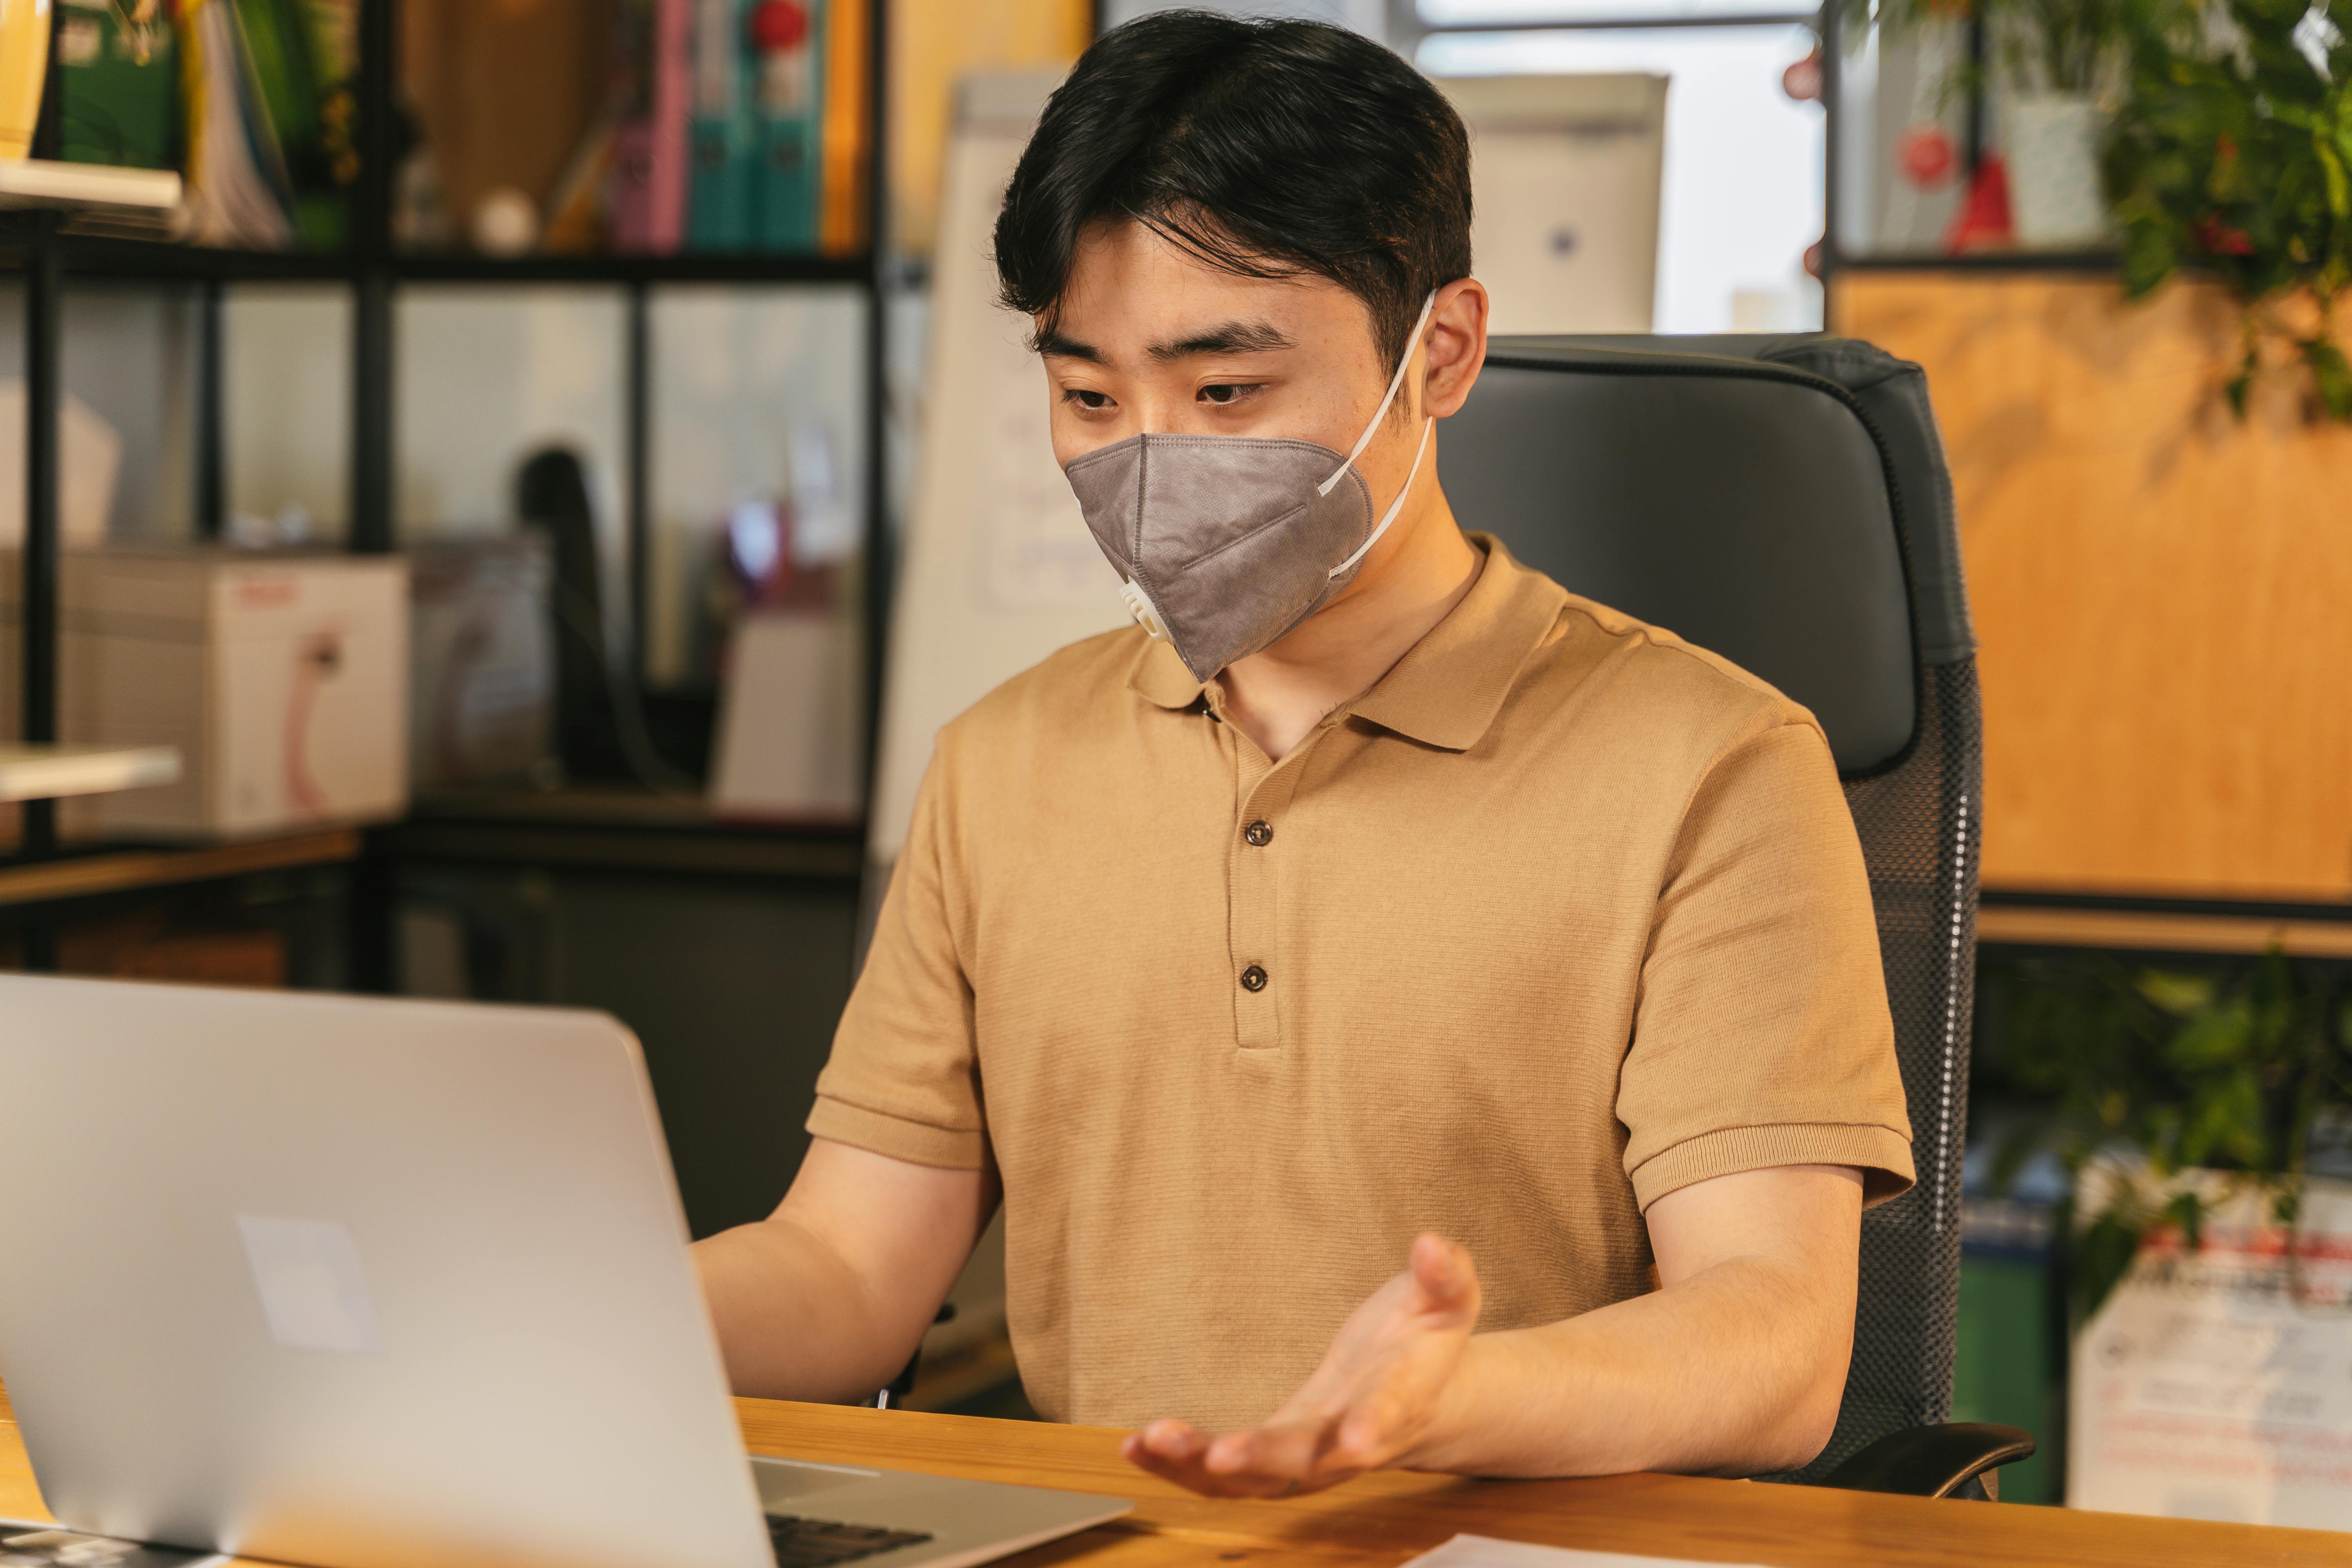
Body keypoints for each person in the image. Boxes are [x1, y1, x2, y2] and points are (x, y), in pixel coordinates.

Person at [694, 12, 1914, 1500]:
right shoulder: (999, 764)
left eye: (1226, 392)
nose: (1149, 459)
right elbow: (848, 1270)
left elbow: (1777, 1340)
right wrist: (590, 1309)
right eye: (1088, 396)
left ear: (1441, 352)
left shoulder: (1716, 769)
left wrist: (1452, 1402)